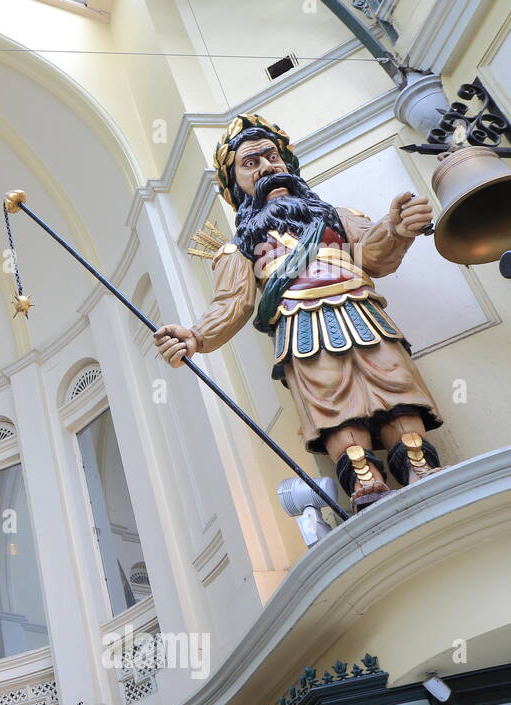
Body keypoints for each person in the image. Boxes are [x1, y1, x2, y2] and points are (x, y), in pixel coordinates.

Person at [154, 114, 443, 511]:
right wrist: (196, 336)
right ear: (235, 186)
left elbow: (373, 257)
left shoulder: (337, 216)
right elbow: (232, 303)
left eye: (271, 156)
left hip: (363, 312)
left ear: (287, 163)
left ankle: (418, 465)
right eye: (250, 163)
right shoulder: (238, 246)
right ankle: (366, 481)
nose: (267, 167)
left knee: (394, 388)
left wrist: (396, 227)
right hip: (301, 327)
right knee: (334, 404)